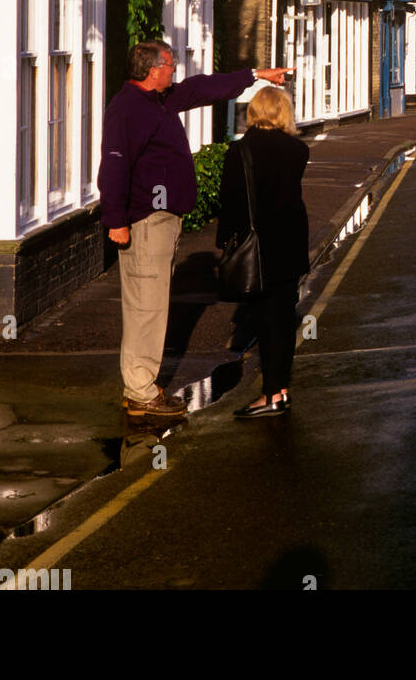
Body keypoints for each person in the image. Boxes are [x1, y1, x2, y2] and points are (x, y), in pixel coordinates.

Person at [98, 40, 290, 419]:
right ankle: (140, 392)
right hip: (145, 221)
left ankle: (143, 386)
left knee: (153, 305)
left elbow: (204, 88)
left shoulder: (159, 100)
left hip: (162, 220)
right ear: (153, 70)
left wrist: (255, 76)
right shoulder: (129, 109)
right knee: (145, 307)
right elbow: (115, 165)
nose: (175, 70)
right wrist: (115, 220)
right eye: (170, 65)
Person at [218, 87, 310, 418]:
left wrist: (225, 241)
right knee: (284, 319)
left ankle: (270, 395)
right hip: (292, 242)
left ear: (254, 112)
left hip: (258, 247)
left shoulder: (240, 151)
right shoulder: (298, 149)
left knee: (265, 322)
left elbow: (230, 203)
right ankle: (281, 389)